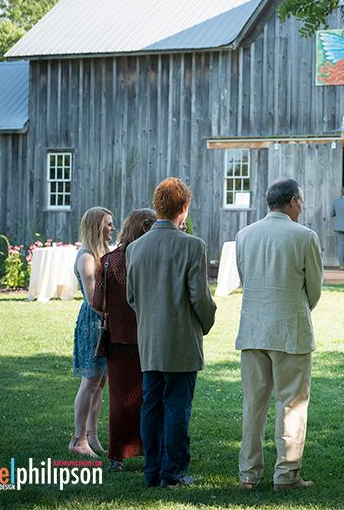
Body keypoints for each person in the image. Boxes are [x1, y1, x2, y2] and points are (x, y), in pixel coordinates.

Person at [126, 178, 216, 488]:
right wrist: (208, 321)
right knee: (177, 405)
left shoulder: (135, 247)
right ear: (184, 208)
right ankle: (172, 472)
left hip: (150, 339)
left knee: (151, 405)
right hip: (181, 340)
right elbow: (200, 298)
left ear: (157, 206)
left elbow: (132, 297)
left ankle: (151, 471)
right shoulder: (192, 245)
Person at [236, 178, 324, 491]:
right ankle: (286, 475)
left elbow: (246, 279)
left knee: (253, 405)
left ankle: (248, 474)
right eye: (300, 200)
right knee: (292, 404)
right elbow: (314, 289)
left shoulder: (244, 235)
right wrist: (296, 308)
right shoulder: (305, 236)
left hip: (253, 329)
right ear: (290, 202)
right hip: (291, 329)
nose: (302, 206)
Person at [93, 208, 157, 471]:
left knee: (120, 401)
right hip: (150, 337)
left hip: (118, 339)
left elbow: (98, 302)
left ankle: (116, 457)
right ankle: (151, 452)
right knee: (150, 398)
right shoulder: (151, 258)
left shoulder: (109, 261)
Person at [69, 207, 114, 458]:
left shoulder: (102, 253)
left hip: (105, 322)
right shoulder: (86, 257)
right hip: (94, 323)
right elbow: (94, 299)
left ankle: (92, 435)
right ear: (97, 227)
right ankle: (78, 439)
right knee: (89, 381)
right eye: (108, 224)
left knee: (100, 383)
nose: (112, 228)